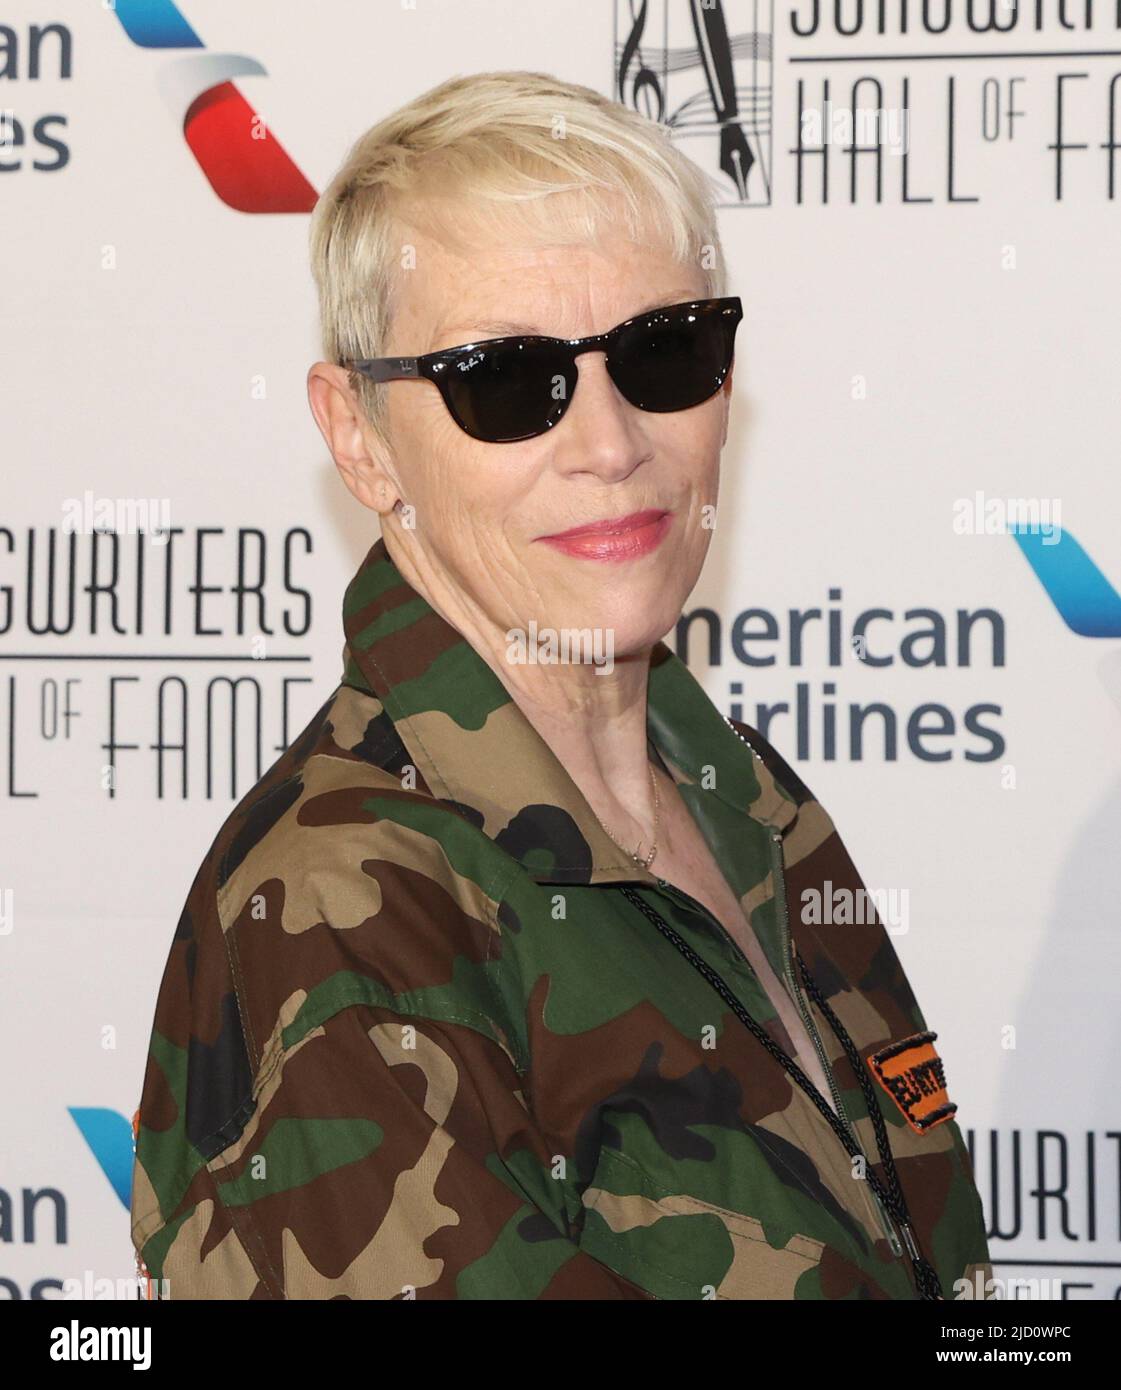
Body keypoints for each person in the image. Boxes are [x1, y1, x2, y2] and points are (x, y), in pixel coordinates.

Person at [129, 70, 992, 1299]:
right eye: (503, 380)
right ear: (360, 438)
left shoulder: (747, 798)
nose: (609, 443)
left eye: (664, 350)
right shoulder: (342, 905)